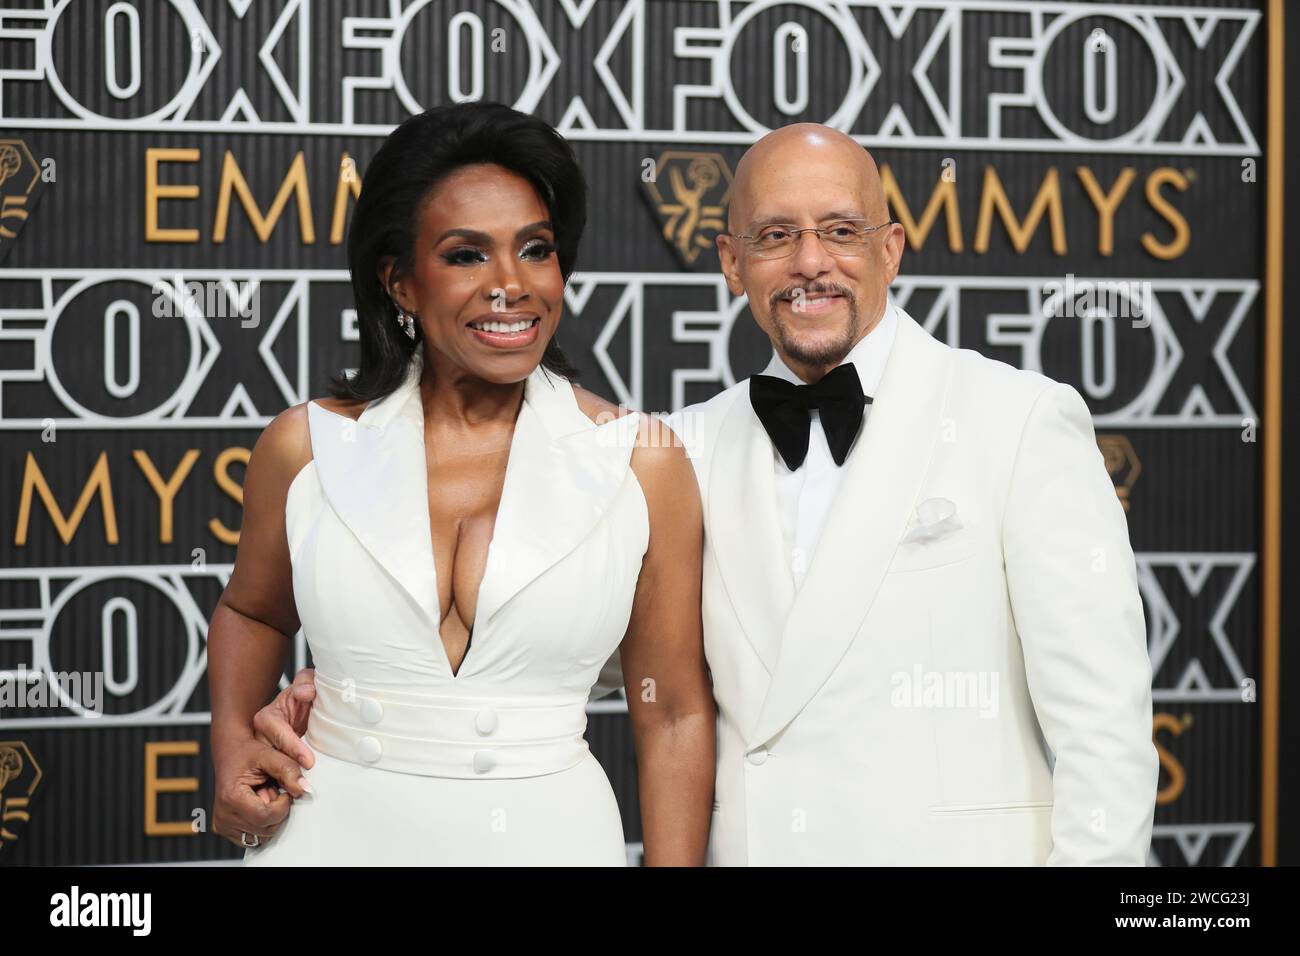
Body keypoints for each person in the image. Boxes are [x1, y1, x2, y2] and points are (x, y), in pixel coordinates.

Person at [258, 122, 1159, 866]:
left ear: (891, 249)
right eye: (775, 236)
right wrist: (349, 683)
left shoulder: (1019, 420)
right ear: (732, 263)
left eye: (841, 231)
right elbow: (547, 643)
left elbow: (1104, 727)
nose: (811, 262)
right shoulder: (665, 448)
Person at [207, 101, 715, 866]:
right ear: (400, 284)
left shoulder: (641, 461)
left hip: (551, 841)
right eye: (467, 255)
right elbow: (250, 611)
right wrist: (233, 749)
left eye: (535, 249)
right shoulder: (306, 447)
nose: (511, 285)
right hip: (327, 835)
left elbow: (673, 713)